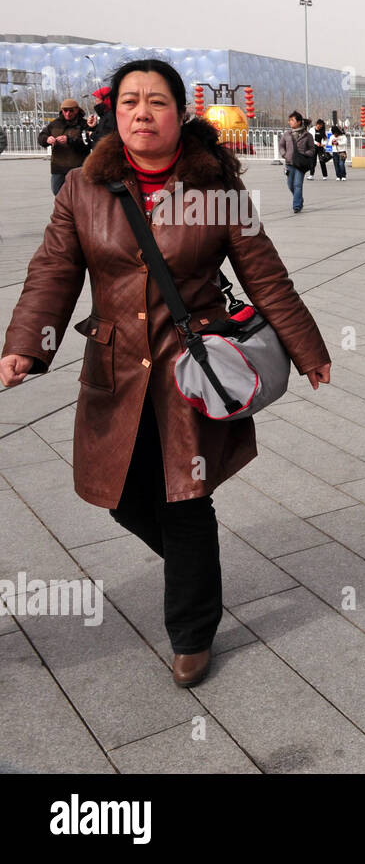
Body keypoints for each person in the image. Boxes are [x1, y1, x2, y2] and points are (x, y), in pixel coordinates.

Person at [0, 58, 332, 688]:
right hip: (116, 369)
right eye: (129, 102)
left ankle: (192, 632)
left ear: (181, 114)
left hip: (191, 371)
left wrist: (309, 351)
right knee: (123, 497)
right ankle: (197, 570)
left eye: (156, 102)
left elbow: (266, 278)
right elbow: (52, 273)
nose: (142, 113)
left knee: (185, 497)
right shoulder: (83, 189)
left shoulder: (220, 191)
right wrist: (25, 346)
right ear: (113, 114)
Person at [37, 98, 92, 195]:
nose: (68, 113)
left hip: (78, 167)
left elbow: (87, 143)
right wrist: (47, 139)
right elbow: (41, 137)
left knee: (78, 194)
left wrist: (69, 140)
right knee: (57, 192)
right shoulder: (55, 124)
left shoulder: (84, 124)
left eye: (71, 111)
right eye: (65, 110)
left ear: (77, 110)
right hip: (59, 167)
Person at [277, 111, 315, 213]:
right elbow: (281, 146)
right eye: (289, 120)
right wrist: (284, 154)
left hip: (301, 164)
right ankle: (299, 198)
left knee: (298, 184)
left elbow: (312, 149)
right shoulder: (287, 134)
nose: (290, 122)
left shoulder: (308, 135)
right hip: (289, 163)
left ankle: (296, 206)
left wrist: (305, 154)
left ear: (299, 122)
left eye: (292, 120)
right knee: (290, 185)